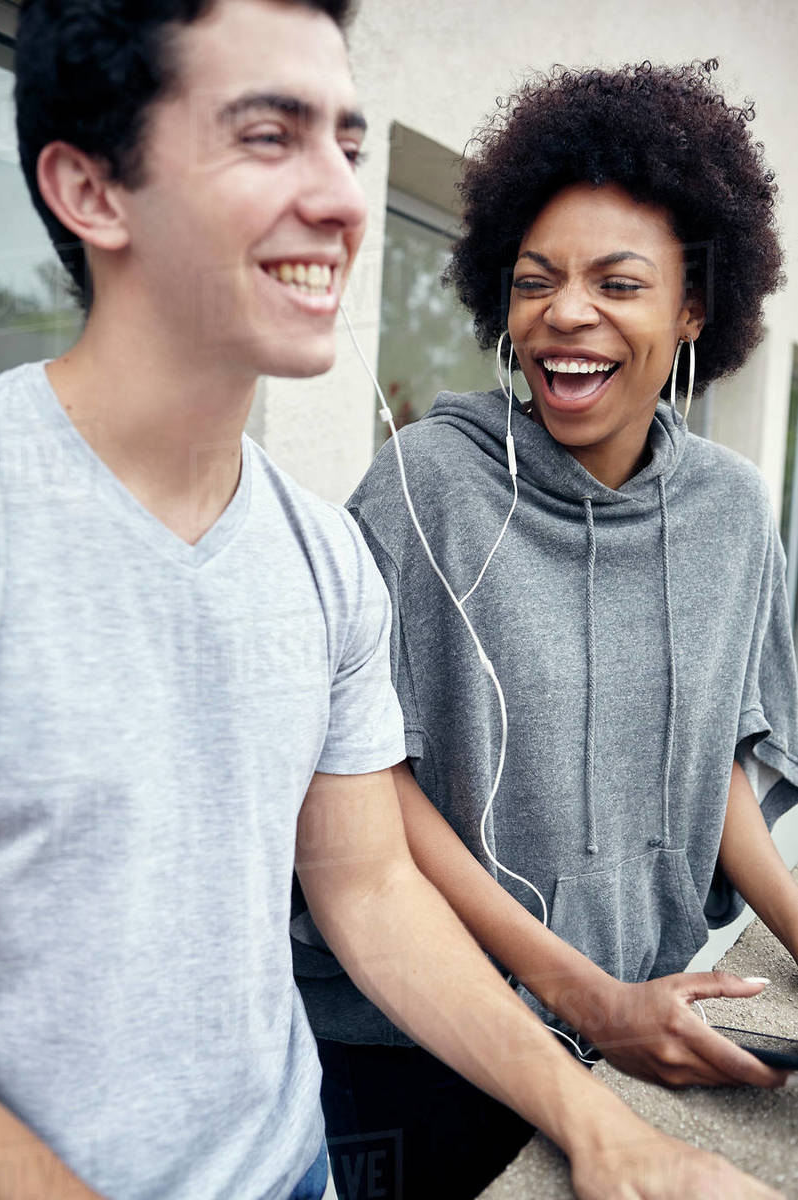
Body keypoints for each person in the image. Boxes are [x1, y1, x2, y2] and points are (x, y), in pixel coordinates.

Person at [1, 10, 781, 1200]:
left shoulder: (313, 558)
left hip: (297, 1163)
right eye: (270, 136)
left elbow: (366, 887)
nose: (343, 197)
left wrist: (602, 1122)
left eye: (347, 143)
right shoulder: (409, 493)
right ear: (91, 191)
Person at [295, 60, 798, 1199]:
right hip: (409, 1042)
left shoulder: (730, 513)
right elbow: (372, 795)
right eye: (535, 282)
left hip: (632, 1023)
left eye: (618, 282)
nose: (566, 313)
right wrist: (579, 992)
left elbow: (714, 768)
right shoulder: (428, 484)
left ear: (694, 309)